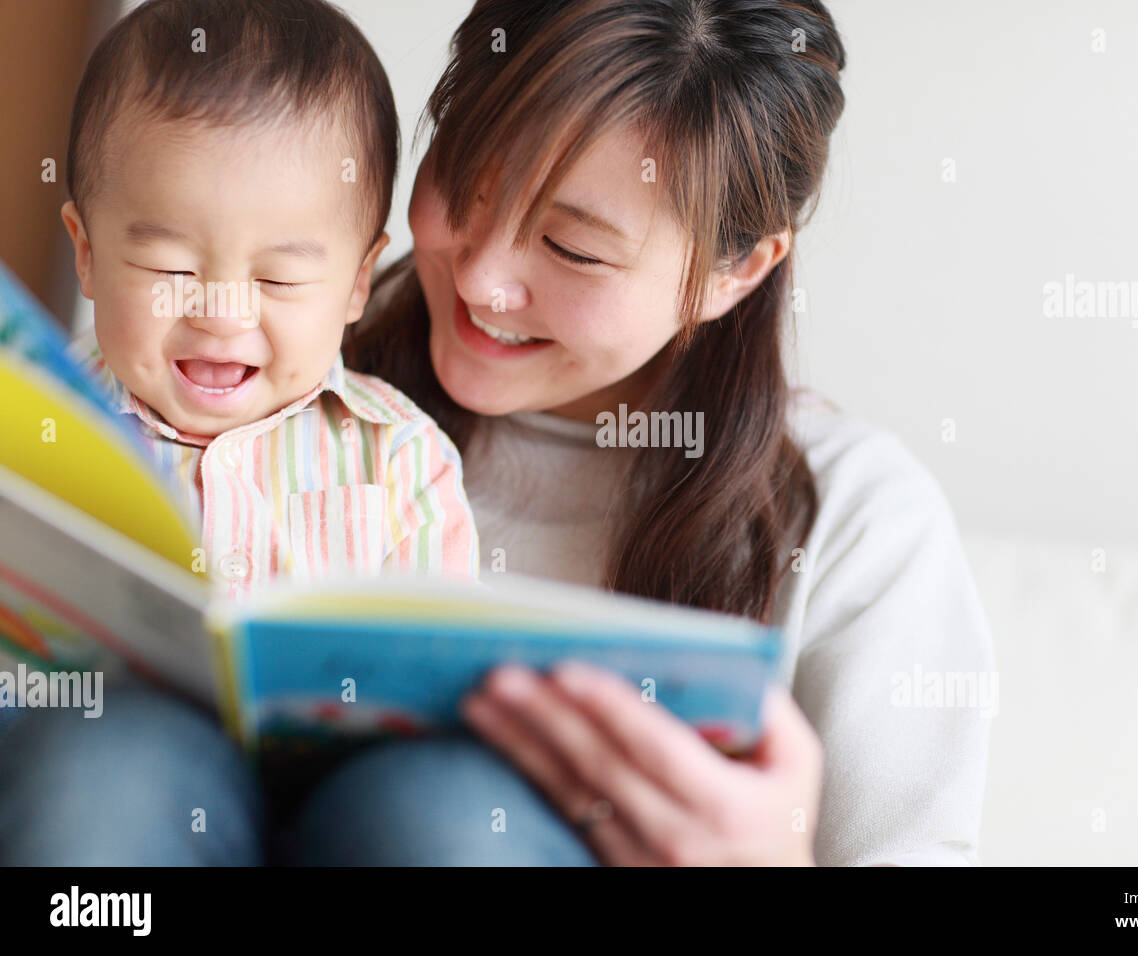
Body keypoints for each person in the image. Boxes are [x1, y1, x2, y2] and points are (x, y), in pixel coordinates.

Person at [0, 0, 993, 867]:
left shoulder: (851, 517)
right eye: (465, 183)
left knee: (426, 807)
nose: (480, 279)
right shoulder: (219, 383)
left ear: (735, 270)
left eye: (572, 246)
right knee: (106, 763)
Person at [59, 0, 477, 595]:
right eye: (171, 268)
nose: (224, 317)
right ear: (88, 257)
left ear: (358, 281)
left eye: (278, 279)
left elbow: (434, 659)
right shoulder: (41, 415)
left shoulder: (401, 461)